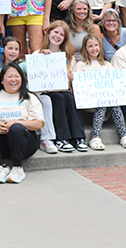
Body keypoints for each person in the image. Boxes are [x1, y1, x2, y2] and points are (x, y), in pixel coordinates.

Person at [0, 63, 44, 183]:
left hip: (24, 142)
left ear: (22, 79)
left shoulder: (30, 97)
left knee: (17, 128)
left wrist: (16, 122)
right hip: (1, 141)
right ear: (1, 80)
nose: (13, 80)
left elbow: (39, 124)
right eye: (9, 76)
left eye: (17, 76)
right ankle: (0, 167)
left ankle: (18, 167)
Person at [34, 20, 87, 152]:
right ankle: (61, 138)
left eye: (61, 35)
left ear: (65, 39)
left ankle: (79, 137)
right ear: (49, 33)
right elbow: (34, 80)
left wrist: (71, 79)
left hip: (63, 90)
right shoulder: (38, 54)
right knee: (58, 98)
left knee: (69, 97)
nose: (57, 36)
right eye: (55, 32)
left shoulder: (69, 57)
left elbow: (72, 81)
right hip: (45, 92)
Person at [73, 34, 126, 149]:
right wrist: (72, 79)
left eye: (96, 45)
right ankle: (95, 136)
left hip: (106, 102)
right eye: (90, 46)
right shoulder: (81, 65)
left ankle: (124, 135)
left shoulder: (106, 65)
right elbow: (77, 86)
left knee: (112, 103)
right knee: (103, 102)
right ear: (85, 49)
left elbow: (116, 82)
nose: (94, 48)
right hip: (89, 102)